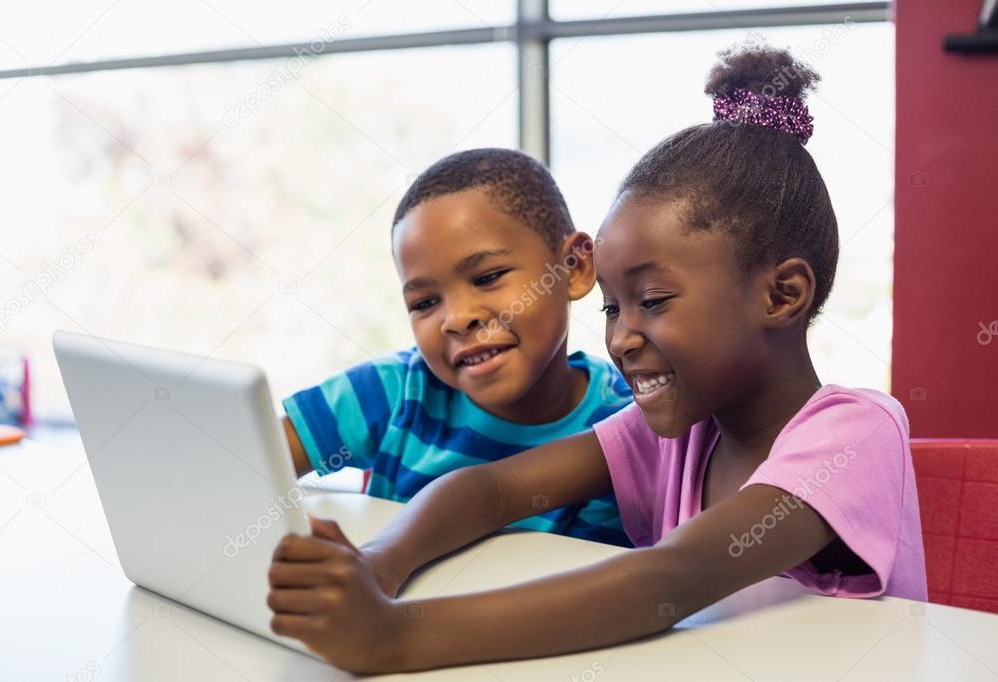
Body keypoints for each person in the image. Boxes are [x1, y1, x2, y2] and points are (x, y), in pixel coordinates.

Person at [267, 43, 927, 673]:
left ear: (781, 295)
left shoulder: (853, 434)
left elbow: (667, 577)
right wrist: (382, 559)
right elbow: (492, 489)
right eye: (613, 307)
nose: (621, 338)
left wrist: (393, 637)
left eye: (653, 299)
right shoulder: (677, 432)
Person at [282, 147, 633, 547]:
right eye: (425, 303)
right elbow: (246, 462)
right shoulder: (392, 390)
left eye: (488, 277)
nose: (456, 319)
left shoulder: (624, 429)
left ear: (574, 267)